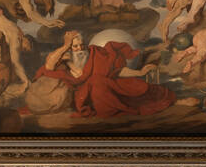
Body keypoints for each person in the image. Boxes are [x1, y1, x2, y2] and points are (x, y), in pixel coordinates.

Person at [38, 31, 175, 119]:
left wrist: (140, 72)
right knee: (97, 83)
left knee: (137, 87)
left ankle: (172, 100)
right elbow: (49, 66)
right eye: (75, 46)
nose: (80, 49)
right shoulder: (64, 56)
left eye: (82, 45)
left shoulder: (96, 52)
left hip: (102, 87)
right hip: (79, 96)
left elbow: (116, 71)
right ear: (69, 47)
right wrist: (66, 46)